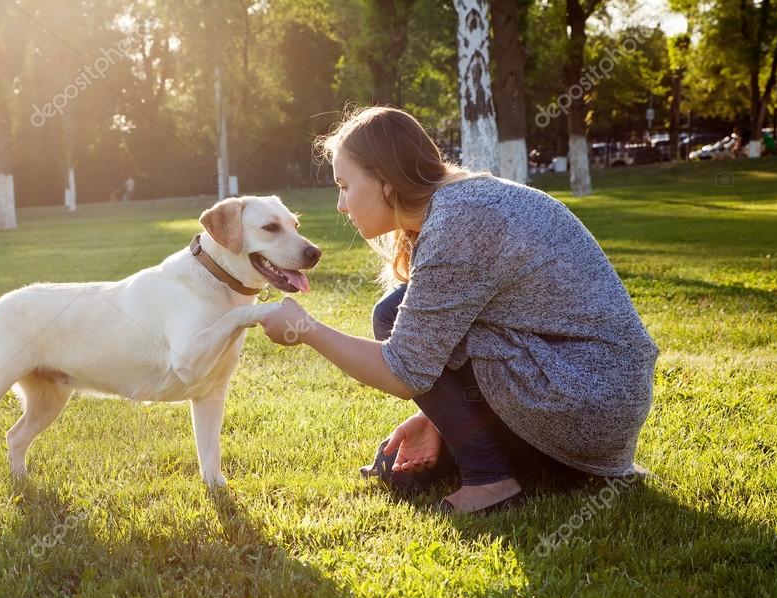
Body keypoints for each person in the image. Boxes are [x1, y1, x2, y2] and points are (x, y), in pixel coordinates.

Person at [257, 106, 658, 514]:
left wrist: (304, 328)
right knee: (398, 461)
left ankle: (491, 482)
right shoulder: (459, 203)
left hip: (586, 400)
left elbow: (405, 369)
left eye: (345, 185)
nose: (342, 205)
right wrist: (441, 422)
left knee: (391, 316)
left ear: (386, 180)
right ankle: (490, 459)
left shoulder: (460, 221)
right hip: (586, 390)